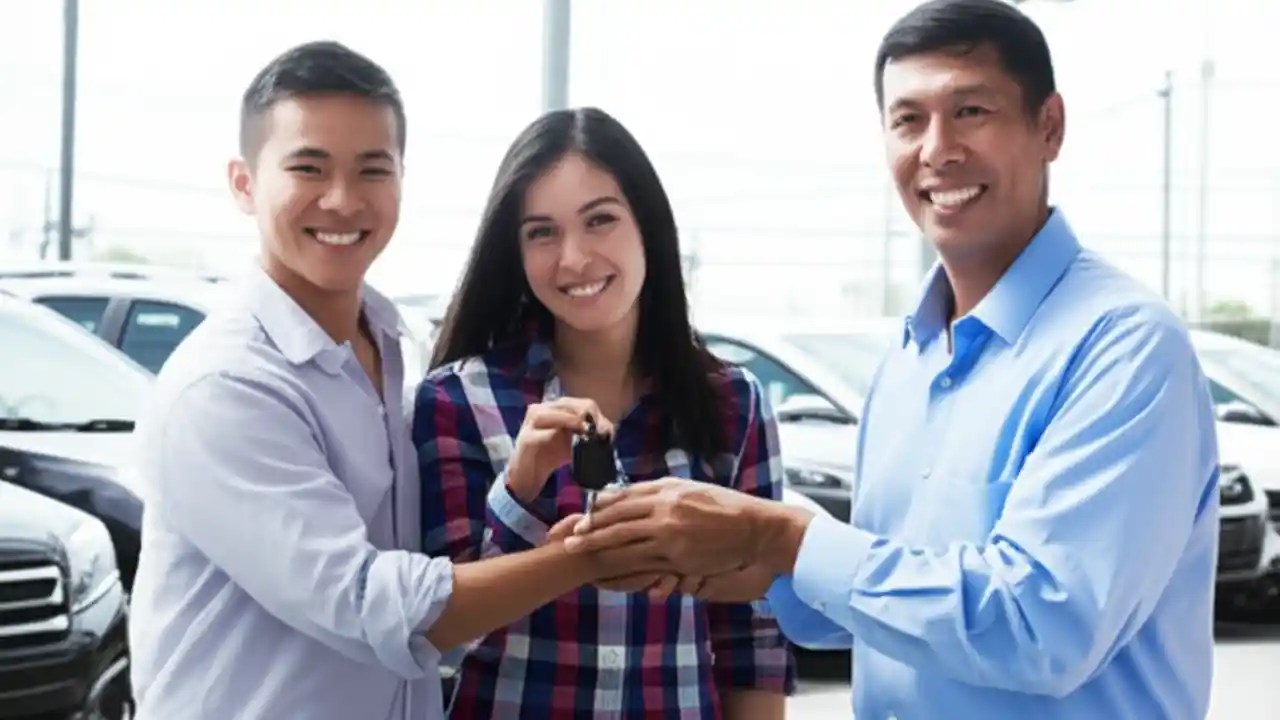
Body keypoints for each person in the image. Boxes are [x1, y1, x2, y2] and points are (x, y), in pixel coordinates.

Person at [565, 1, 1221, 718]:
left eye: (971, 110)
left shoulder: (1125, 347)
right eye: (908, 120)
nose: (937, 150)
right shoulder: (909, 357)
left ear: (1050, 127)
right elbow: (884, 603)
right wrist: (754, 563)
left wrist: (778, 535)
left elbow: (1042, 628)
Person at [127, 42, 664, 720]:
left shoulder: (384, 345)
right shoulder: (226, 386)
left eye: (372, 169)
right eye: (309, 168)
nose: (343, 200)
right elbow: (373, 606)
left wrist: (524, 491)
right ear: (243, 183)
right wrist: (596, 555)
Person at [413, 106, 795, 719]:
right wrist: (522, 491)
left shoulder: (735, 403)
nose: (574, 258)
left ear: (648, 225)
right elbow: (442, 638)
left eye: (600, 221)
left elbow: (752, 636)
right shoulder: (455, 400)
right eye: (541, 232)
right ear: (514, 251)